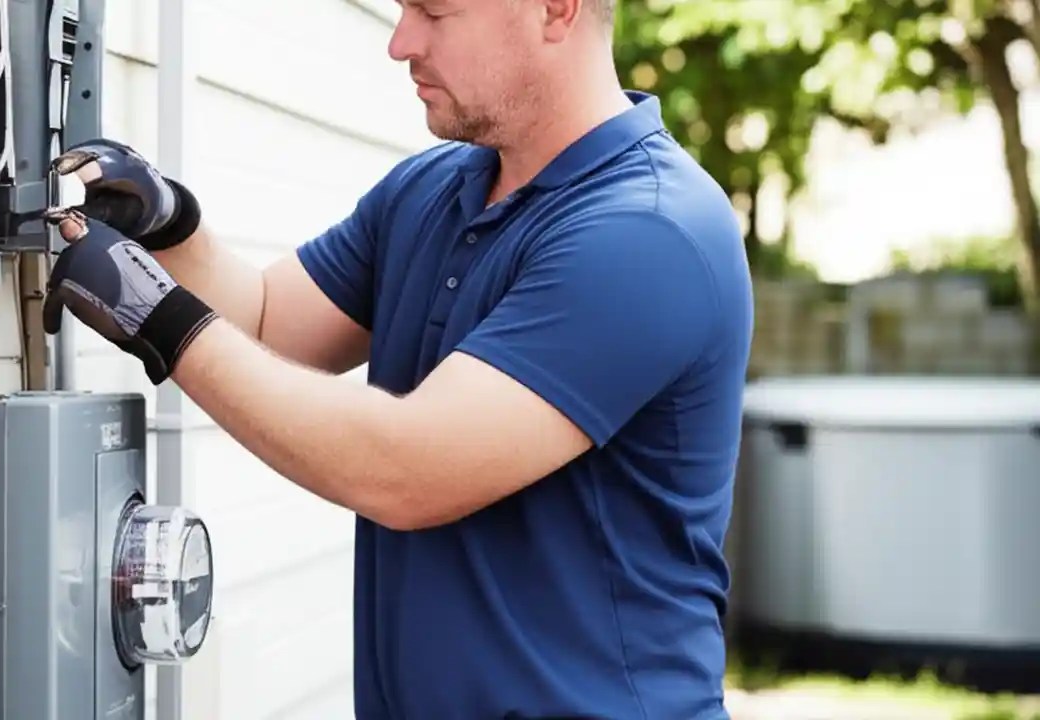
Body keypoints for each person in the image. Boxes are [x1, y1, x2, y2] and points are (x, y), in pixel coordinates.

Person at [42, 0, 753, 717]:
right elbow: (264, 323)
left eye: (435, 12)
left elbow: (407, 470)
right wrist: (169, 225)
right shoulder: (432, 190)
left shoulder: (648, 231)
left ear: (555, 10)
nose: (400, 43)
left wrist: (158, 317)